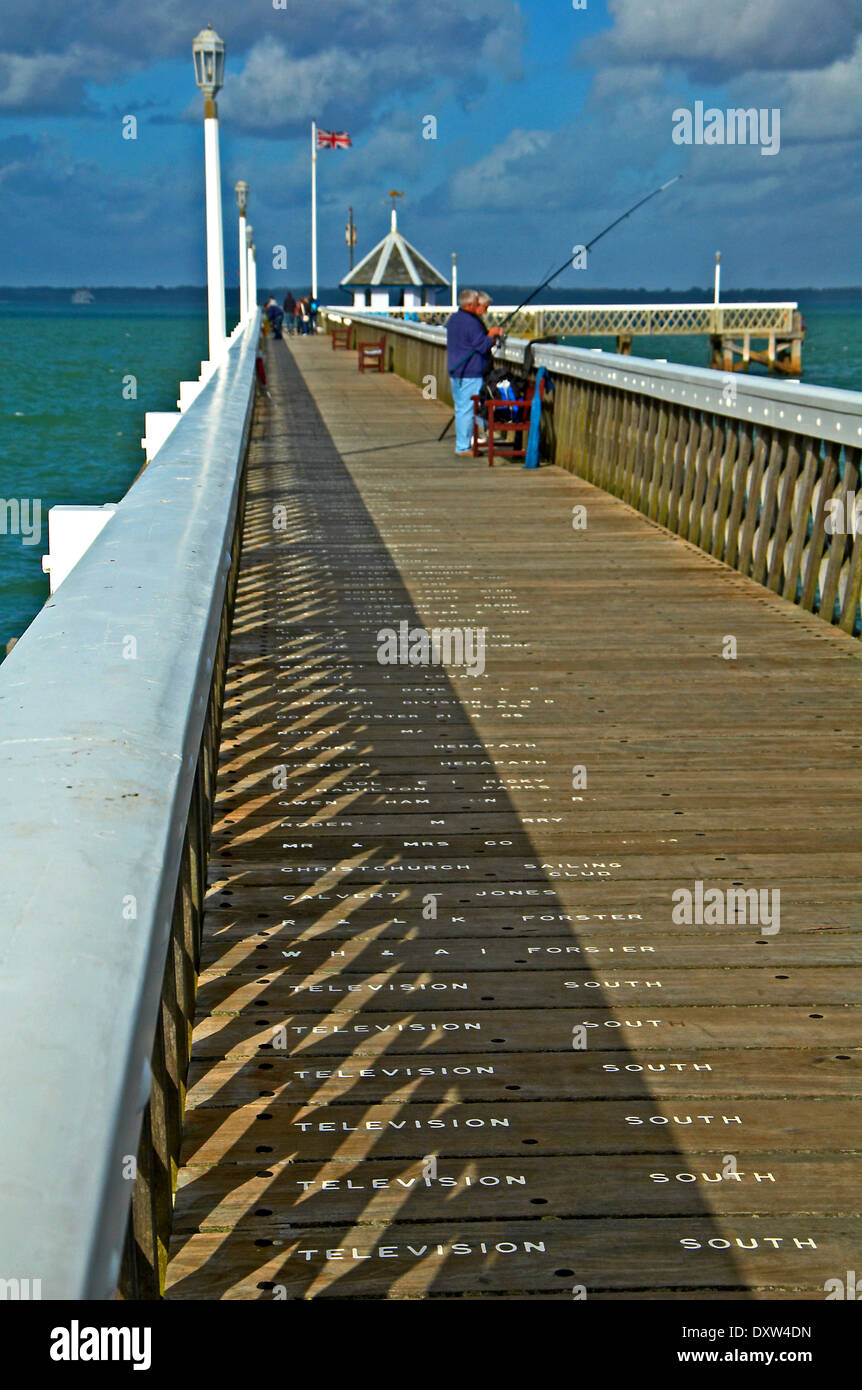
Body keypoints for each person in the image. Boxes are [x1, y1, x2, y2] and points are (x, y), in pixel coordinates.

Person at [446, 289, 503, 455]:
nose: (480, 306)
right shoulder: (471, 323)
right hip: (470, 372)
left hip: (456, 370)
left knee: (461, 408)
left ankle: (467, 441)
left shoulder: (454, 319)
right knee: (467, 410)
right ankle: (463, 447)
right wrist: (491, 334)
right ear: (470, 305)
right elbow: (483, 346)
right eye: (477, 303)